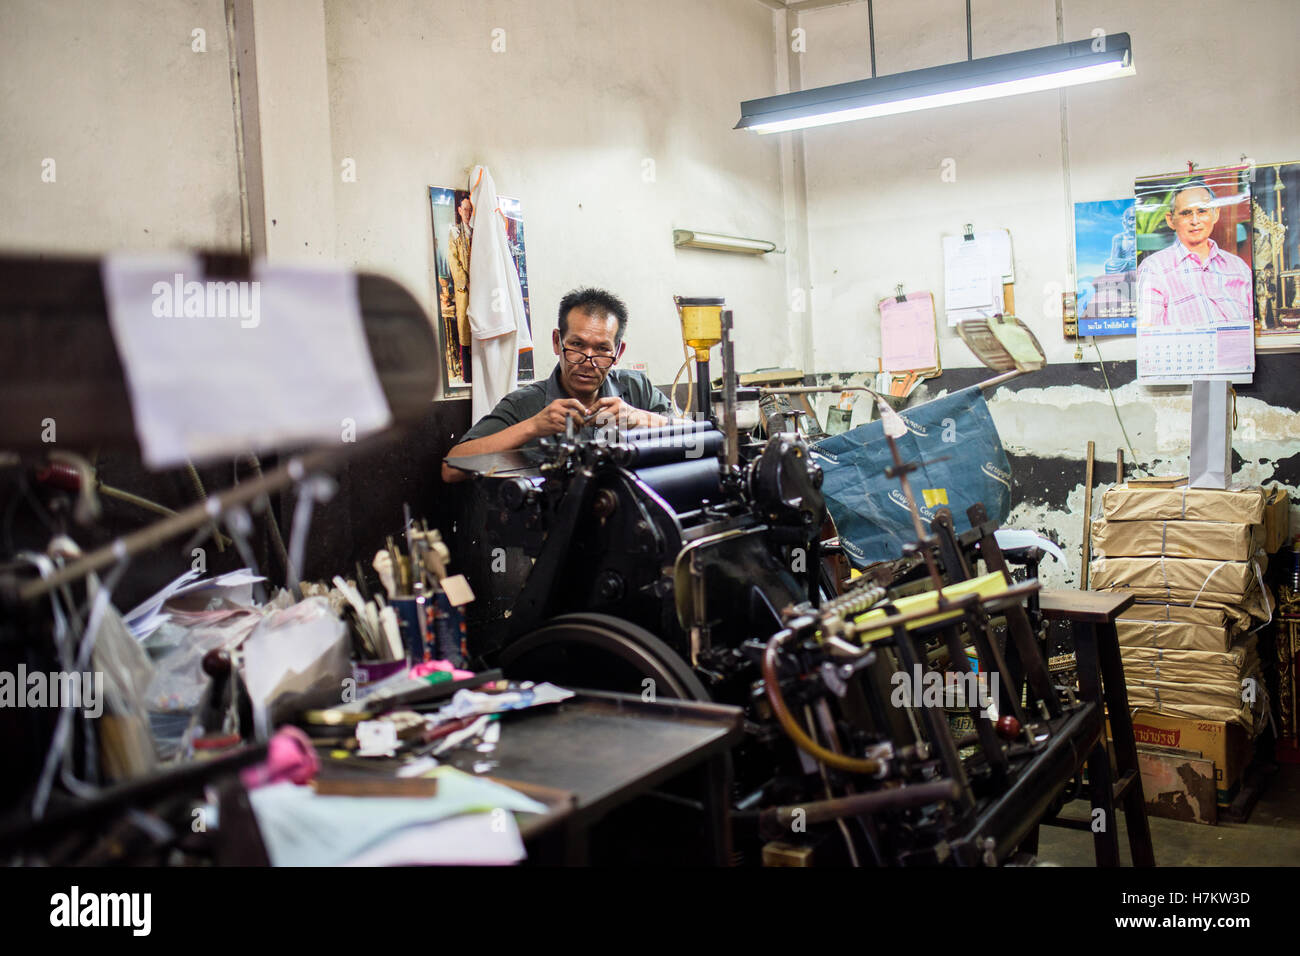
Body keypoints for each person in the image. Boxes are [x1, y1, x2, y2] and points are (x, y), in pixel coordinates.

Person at [441, 288, 673, 482]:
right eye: (577, 345)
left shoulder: (636, 388)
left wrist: (644, 419)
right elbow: (451, 469)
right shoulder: (525, 404)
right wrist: (533, 426)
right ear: (556, 342)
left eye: (602, 349)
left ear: (618, 351)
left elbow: (697, 438)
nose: (587, 362)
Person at [1136, 180, 1253, 329]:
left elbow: (1254, 327)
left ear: (1215, 214)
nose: (1195, 221)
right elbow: (1149, 334)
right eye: (1186, 213)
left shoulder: (1237, 266)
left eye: (1202, 211)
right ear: (1171, 220)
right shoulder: (1154, 269)